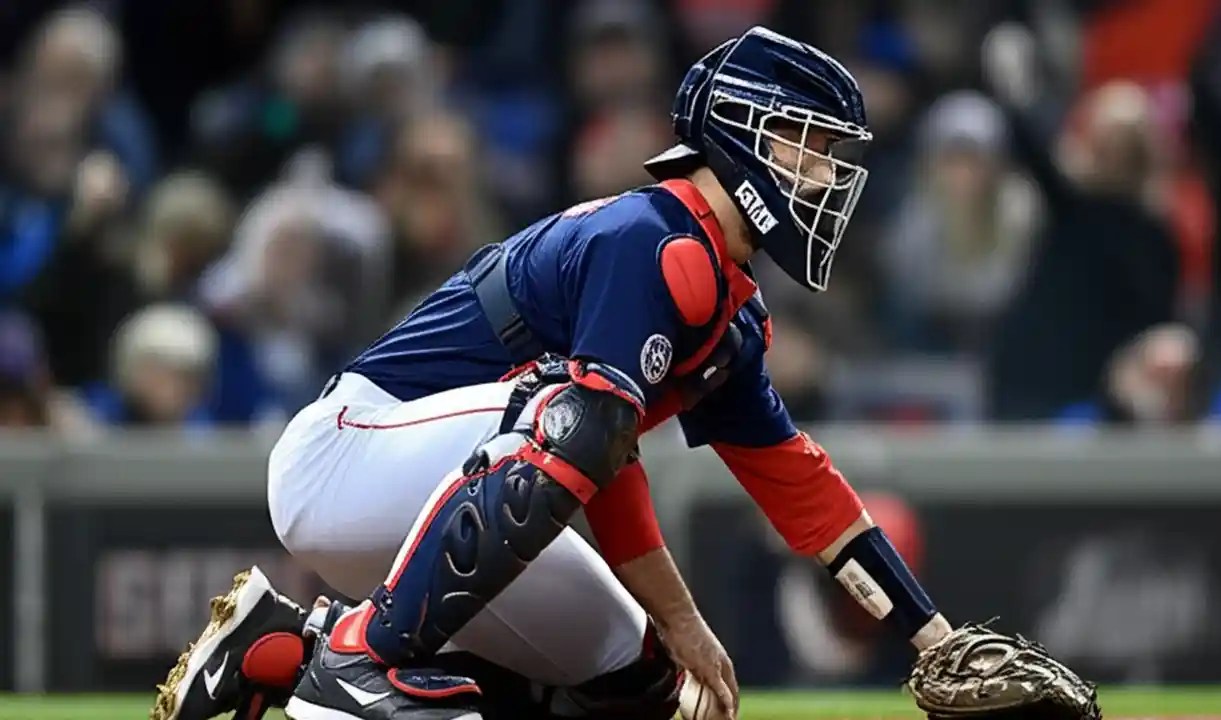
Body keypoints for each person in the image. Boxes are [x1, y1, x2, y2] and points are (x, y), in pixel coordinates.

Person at [152, 27, 1095, 720]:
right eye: (806, 144)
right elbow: (594, 442)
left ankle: (282, 649)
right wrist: (684, 613)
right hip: (352, 455)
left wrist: (932, 637)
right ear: (744, 136)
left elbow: (799, 485)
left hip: (442, 489)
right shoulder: (651, 238)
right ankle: (361, 661)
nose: (822, 174)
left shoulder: (727, 303)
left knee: (639, 692)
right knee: (579, 418)